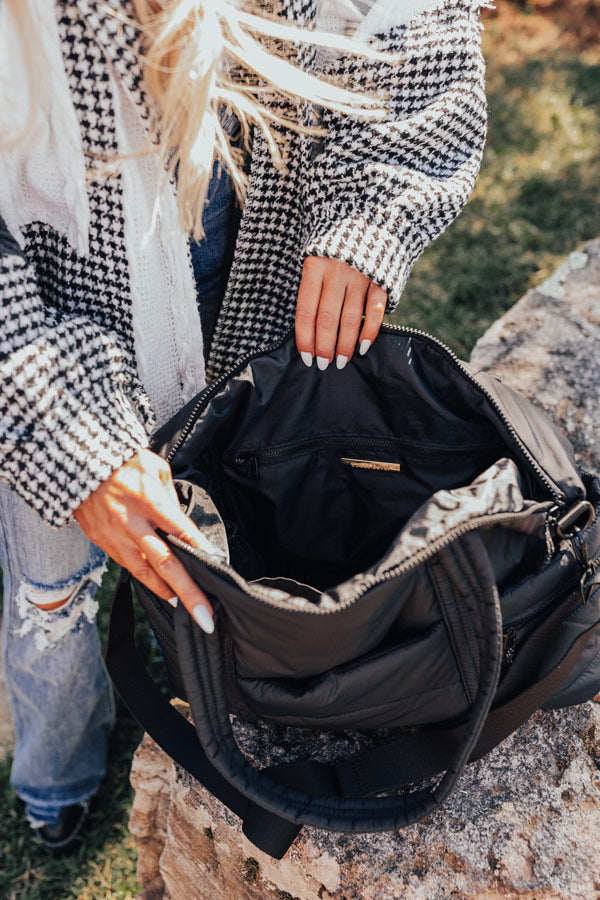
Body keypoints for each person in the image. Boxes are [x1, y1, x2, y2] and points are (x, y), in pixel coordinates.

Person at [0, 0, 488, 850]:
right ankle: (56, 778)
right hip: (47, 304)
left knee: (240, 526)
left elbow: (414, 21)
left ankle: (233, 691)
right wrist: (60, 425)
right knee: (53, 595)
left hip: (243, 217)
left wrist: (375, 204)